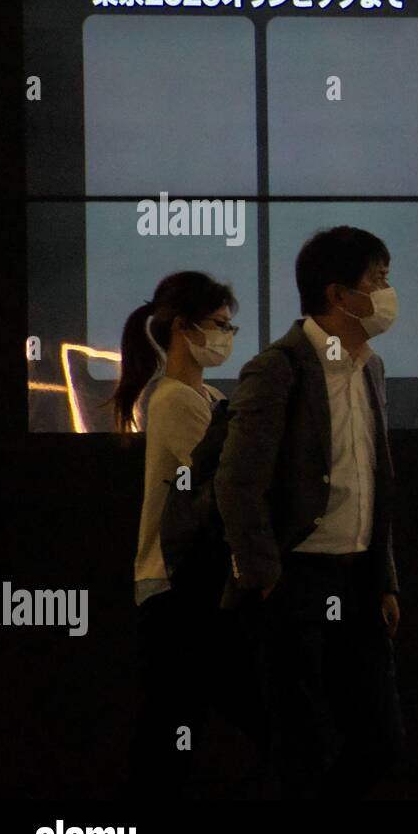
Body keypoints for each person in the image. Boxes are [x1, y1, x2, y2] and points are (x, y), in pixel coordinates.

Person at [215, 226, 404, 799]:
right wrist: (267, 578)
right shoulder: (280, 367)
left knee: (380, 743)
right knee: (301, 743)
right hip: (297, 580)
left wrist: (384, 579)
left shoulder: (370, 366)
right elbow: (236, 483)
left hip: (358, 580)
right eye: (378, 280)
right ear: (338, 295)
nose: (388, 293)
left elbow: (374, 483)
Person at [112, 271, 239, 797]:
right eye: (220, 324)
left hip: (185, 584)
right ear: (184, 328)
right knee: (169, 725)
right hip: (173, 584)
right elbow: (224, 483)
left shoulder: (203, 395)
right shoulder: (175, 401)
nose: (228, 335)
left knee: (177, 720)